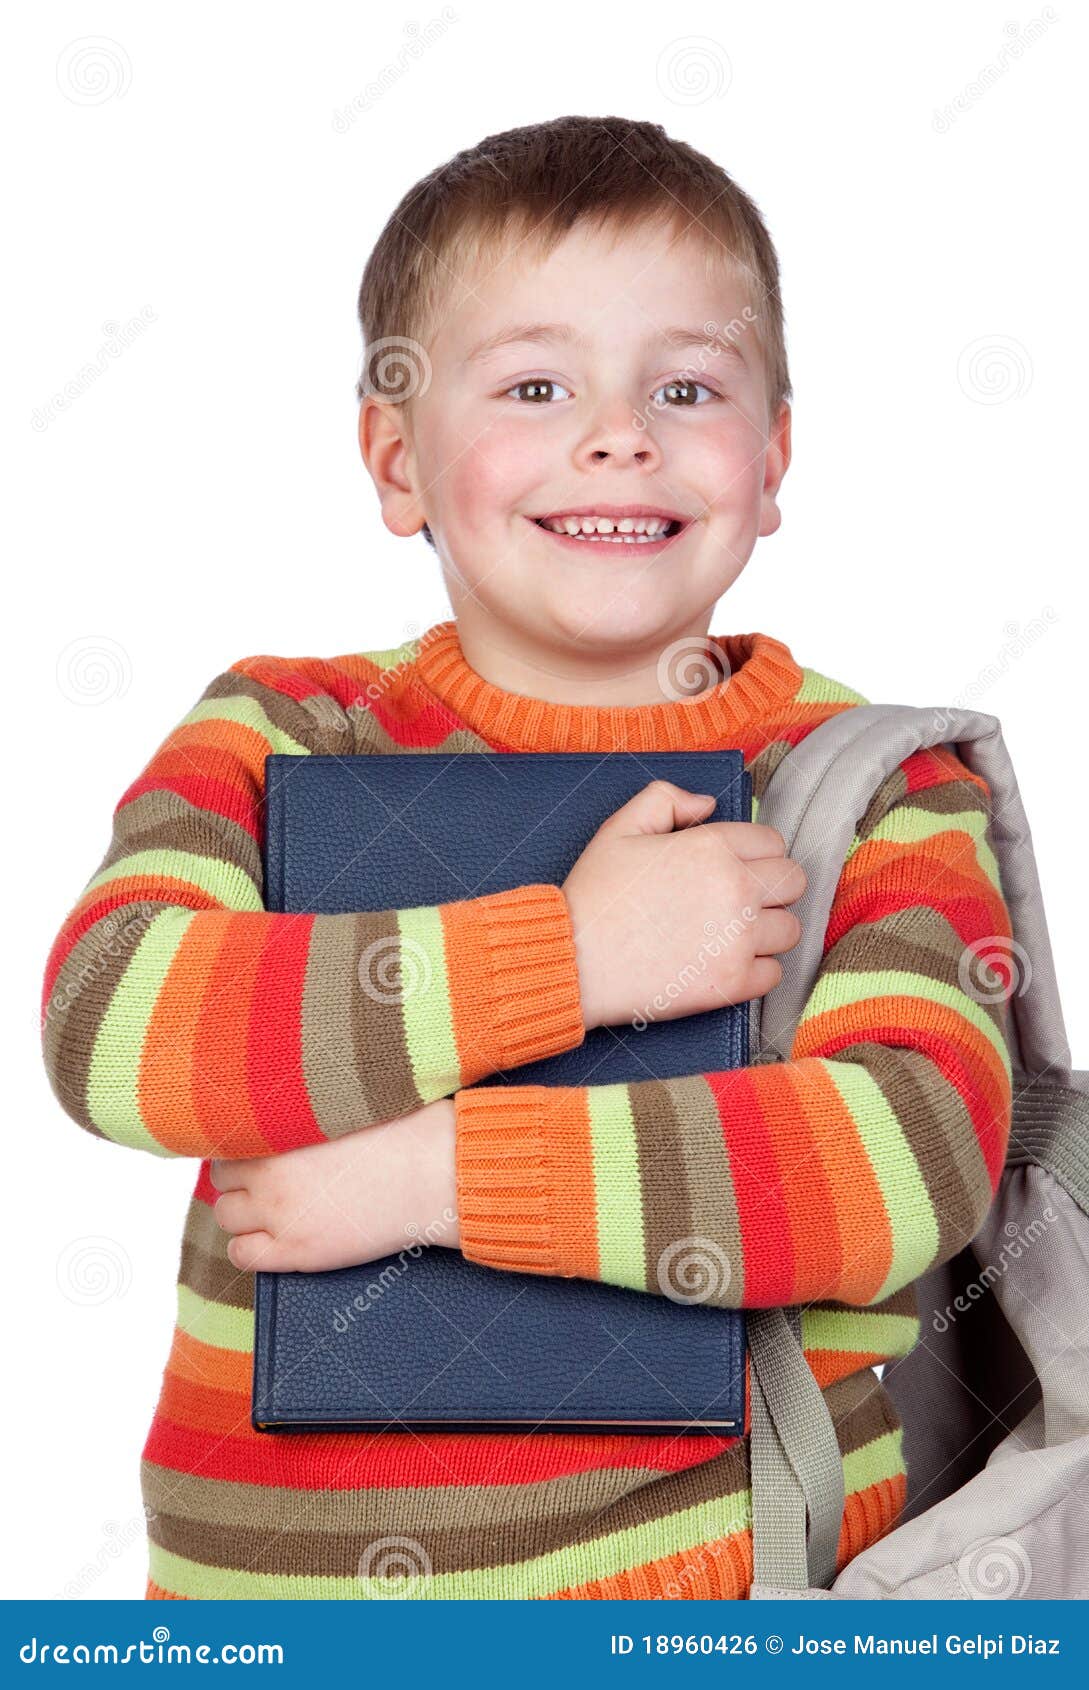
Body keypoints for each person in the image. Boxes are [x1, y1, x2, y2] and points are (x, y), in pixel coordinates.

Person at [40, 114, 1013, 1600]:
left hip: (705, 1596)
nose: (617, 432)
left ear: (770, 460)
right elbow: (111, 1025)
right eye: (535, 383)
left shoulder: (869, 785)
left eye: (684, 387)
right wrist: (573, 956)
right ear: (397, 459)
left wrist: (438, 1175)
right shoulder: (284, 728)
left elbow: (907, 1160)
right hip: (258, 1620)